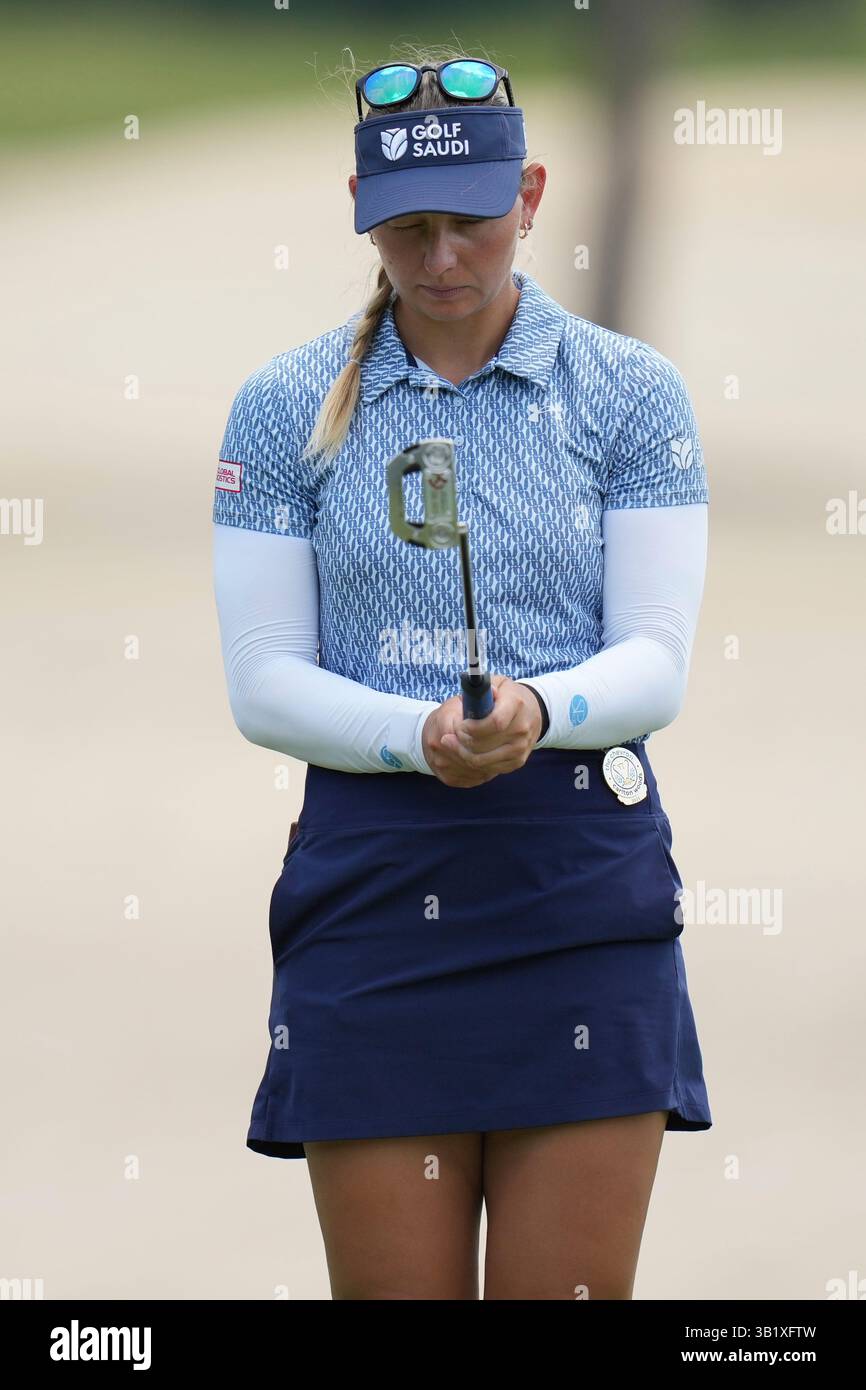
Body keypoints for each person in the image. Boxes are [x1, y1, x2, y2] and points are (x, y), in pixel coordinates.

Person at [212, 47, 712, 1300]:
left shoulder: (629, 395)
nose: (442, 259)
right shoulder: (281, 410)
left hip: (577, 890)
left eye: (473, 223)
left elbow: (653, 660)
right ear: (360, 212)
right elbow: (265, 682)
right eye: (407, 228)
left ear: (530, 195)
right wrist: (419, 736)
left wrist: (536, 709)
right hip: (375, 886)